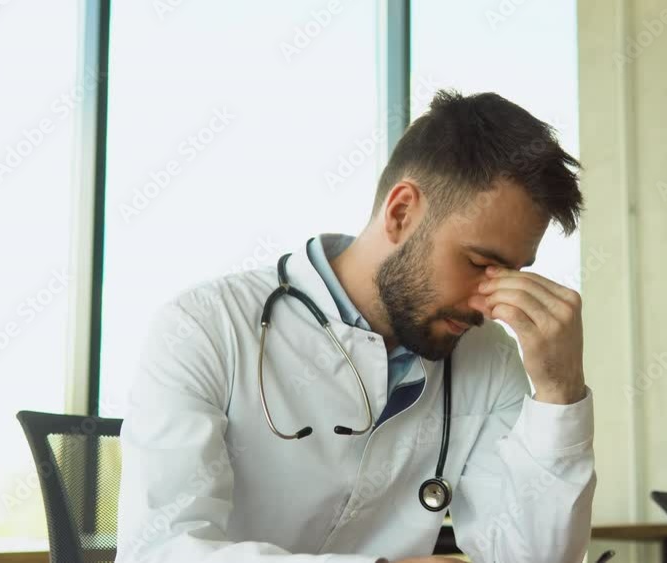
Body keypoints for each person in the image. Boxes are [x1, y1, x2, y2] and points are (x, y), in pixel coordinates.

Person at [116, 89, 596, 563]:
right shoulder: (204, 326)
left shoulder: (489, 357)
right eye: (476, 263)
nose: (487, 306)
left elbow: (536, 559)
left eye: (511, 274)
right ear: (401, 213)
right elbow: (159, 552)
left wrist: (560, 392)